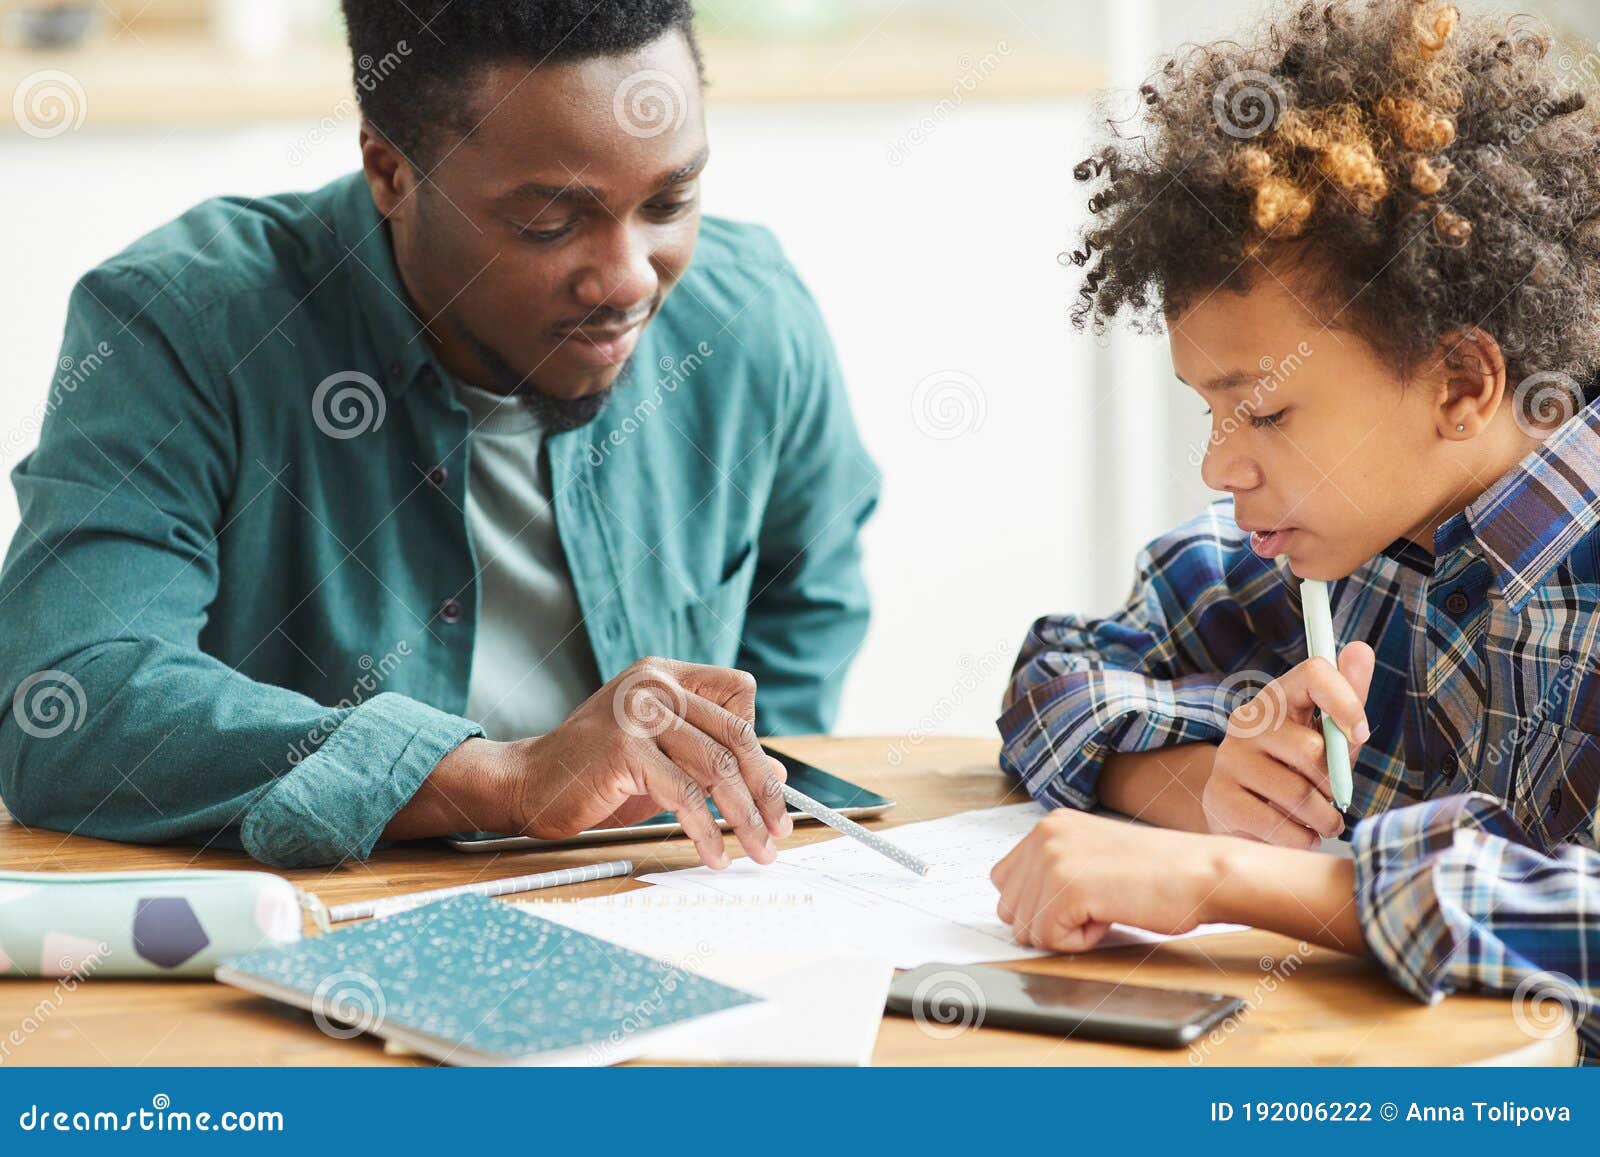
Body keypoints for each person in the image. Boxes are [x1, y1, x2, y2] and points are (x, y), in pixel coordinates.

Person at [0, 0, 878, 871]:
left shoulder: (749, 315)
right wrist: (505, 778)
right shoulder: (188, 325)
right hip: (323, 936)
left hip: (673, 904)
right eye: (550, 223)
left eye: (671, 199)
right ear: (391, 172)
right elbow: (67, 699)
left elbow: (810, 592)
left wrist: (739, 798)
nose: (626, 278)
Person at [993, 0, 1600, 1060]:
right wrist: (1208, 795)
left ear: (1460, 382)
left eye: (1264, 409)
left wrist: (1240, 878)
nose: (1218, 464)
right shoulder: (1361, 539)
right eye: (1209, 409)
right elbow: (1060, 669)